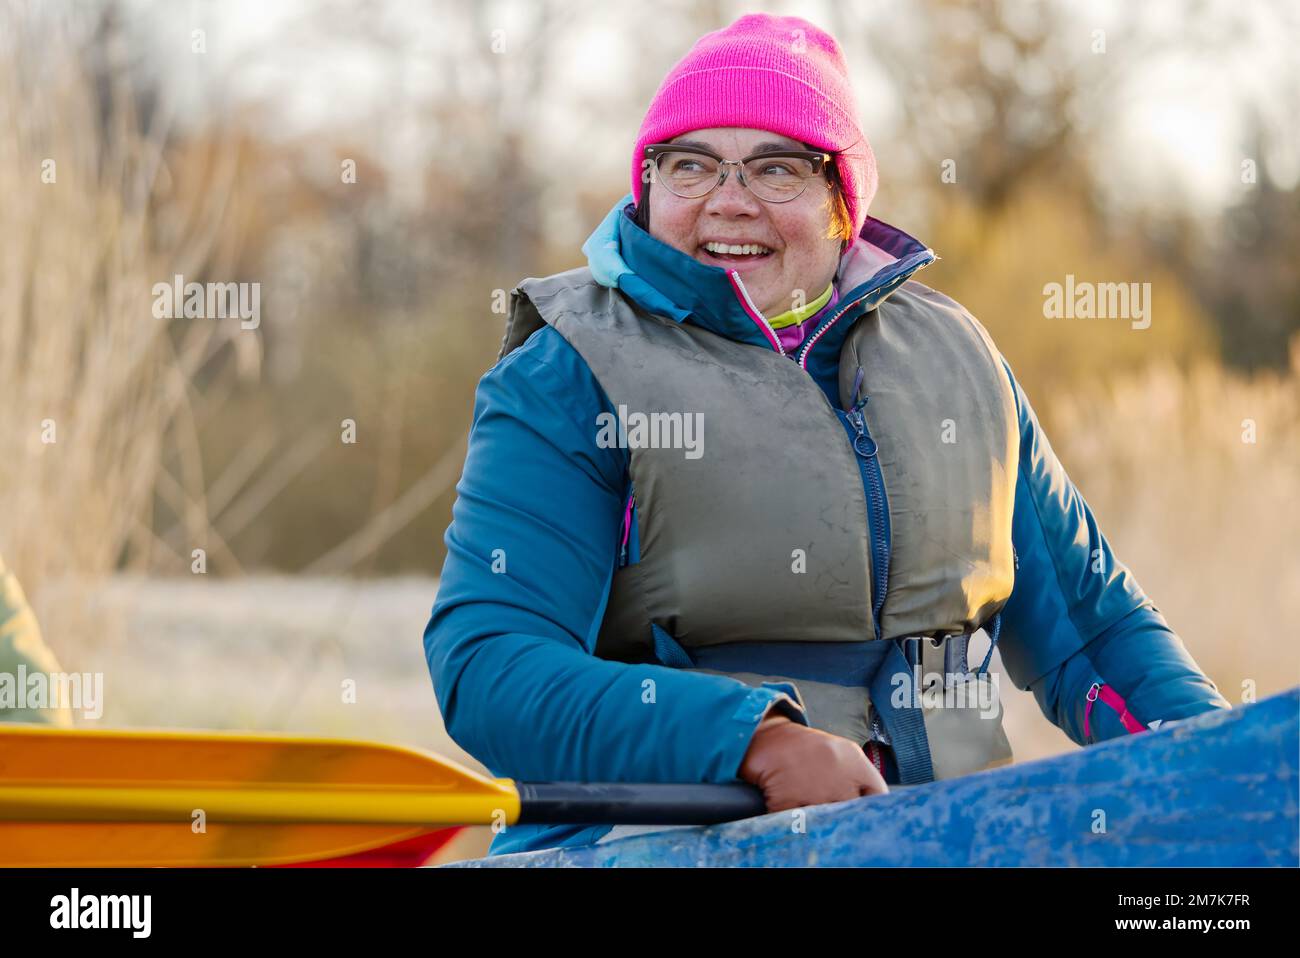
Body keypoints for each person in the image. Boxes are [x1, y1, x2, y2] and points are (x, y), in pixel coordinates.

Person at [423, 12, 1230, 856]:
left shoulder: (959, 359)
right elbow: (490, 665)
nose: (728, 201)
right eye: (690, 164)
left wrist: (1227, 767)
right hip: (649, 845)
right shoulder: (569, 369)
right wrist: (752, 740)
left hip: (945, 840)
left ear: (843, 202)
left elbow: (1096, 633)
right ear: (648, 184)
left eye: (777, 169)